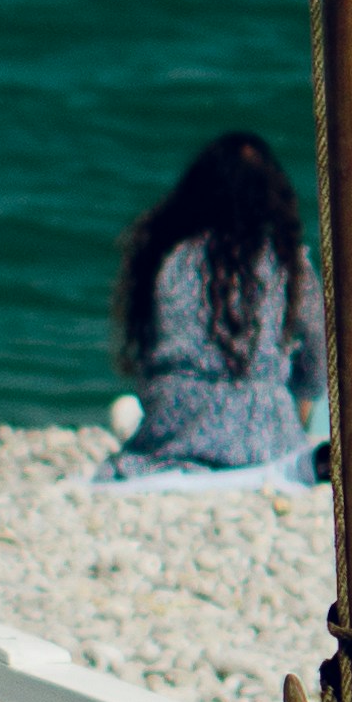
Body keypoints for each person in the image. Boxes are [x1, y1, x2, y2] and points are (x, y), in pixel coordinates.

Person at [97, 132, 326, 487]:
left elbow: (148, 356)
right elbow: (319, 346)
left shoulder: (168, 256)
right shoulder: (287, 263)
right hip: (263, 433)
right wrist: (302, 397)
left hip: (178, 422)